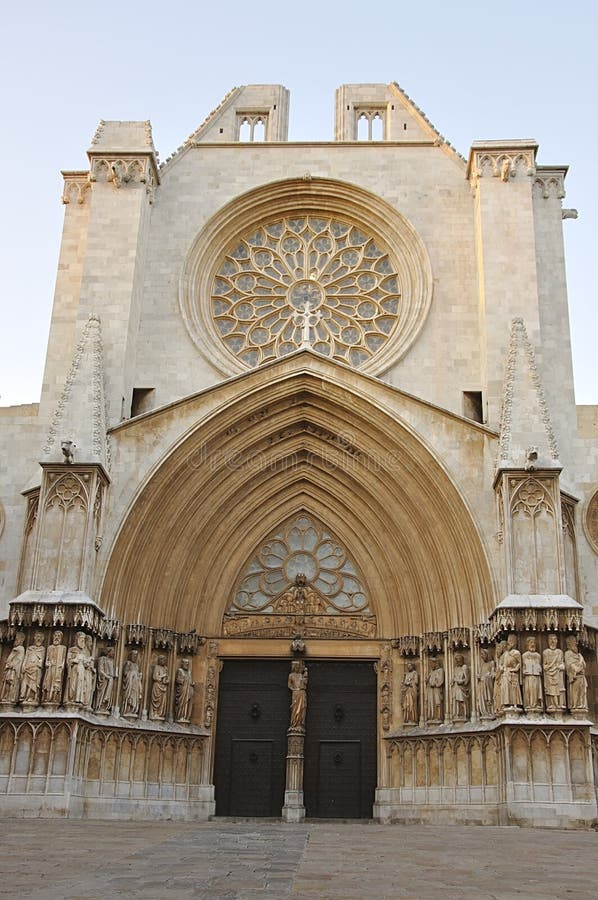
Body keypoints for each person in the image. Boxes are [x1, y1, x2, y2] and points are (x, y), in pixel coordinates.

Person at [65, 632, 95, 708]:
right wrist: (74, 660)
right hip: (74, 670)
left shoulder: (84, 652)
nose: (82, 641)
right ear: (77, 639)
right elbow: (68, 661)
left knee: (80, 685)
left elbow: (85, 663)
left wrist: (89, 661)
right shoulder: (72, 649)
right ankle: (71, 699)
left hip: (82, 671)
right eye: (81, 638)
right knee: (73, 685)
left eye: (83, 639)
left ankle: (78, 699)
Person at [19, 631, 46, 706]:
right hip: (27, 668)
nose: (39, 639)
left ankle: (32, 697)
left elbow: (41, 660)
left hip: (35, 669)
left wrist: (36, 666)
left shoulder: (42, 649)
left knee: (33, 684)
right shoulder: (29, 648)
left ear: (43, 639)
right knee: (25, 683)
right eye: (37, 637)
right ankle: (24, 697)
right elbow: (26, 658)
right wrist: (24, 666)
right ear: (34, 637)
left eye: (40, 637)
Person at [42, 630, 66, 706]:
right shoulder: (50, 647)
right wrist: (47, 663)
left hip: (58, 669)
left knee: (56, 683)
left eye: (59, 636)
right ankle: (46, 698)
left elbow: (63, 660)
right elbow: (47, 659)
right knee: (48, 682)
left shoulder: (63, 648)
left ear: (61, 638)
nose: (57, 638)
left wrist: (61, 666)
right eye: (55, 636)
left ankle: (55, 698)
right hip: (50, 668)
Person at [543, 634, 566, 714]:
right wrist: (548, 667)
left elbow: (562, 663)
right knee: (550, 690)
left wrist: (560, 666)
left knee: (560, 689)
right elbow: (544, 665)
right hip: (549, 674)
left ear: (557, 641)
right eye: (551, 639)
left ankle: (560, 704)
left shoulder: (560, 652)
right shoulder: (546, 652)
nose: (552, 641)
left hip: (558, 673)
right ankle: (551, 704)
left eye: (554, 639)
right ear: (548, 641)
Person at [0, 632, 25, 705]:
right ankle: (6, 696)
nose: (15, 641)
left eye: (17, 639)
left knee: (11, 683)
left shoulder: (21, 649)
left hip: (14, 670)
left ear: (21, 640)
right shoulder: (16, 648)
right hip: (9, 669)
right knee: (7, 682)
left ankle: (11, 697)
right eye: (15, 639)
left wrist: (12, 664)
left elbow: (19, 660)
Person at [564, 637, 588, 714]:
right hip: (575, 678)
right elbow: (570, 666)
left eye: (576, 642)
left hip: (582, 677)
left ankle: (581, 706)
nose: (576, 643)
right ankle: (576, 707)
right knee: (576, 693)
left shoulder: (579, 655)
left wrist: (580, 663)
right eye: (574, 642)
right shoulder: (568, 653)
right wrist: (579, 664)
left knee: (583, 693)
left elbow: (584, 665)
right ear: (569, 643)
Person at [522, 637, 543, 714]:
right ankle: (529, 705)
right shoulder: (524, 655)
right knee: (529, 690)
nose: (532, 644)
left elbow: (539, 665)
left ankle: (536, 704)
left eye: (534, 643)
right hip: (528, 676)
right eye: (531, 643)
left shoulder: (538, 655)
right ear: (527, 644)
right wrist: (525, 671)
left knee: (536, 690)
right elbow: (523, 666)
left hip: (536, 676)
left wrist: (539, 669)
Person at [501, 634, 522, 710]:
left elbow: (519, 663)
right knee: (506, 689)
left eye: (511, 641)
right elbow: (502, 664)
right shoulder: (506, 654)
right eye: (508, 641)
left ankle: (514, 704)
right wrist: (503, 668)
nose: (509, 643)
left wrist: (515, 669)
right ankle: (507, 704)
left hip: (513, 673)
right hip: (506, 673)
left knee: (514, 689)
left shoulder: (516, 653)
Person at [94, 647, 116, 714]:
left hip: (110, 680)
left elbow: (112, 672)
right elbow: (100, 670)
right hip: (104, 680)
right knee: (102, 693)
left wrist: (113, 675)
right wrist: (106, 676)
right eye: (112, 651)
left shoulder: (112, 661)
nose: (114, 653)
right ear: (108, 652)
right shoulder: (102, 659)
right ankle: (99, 706)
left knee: (108, 695)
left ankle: (105, 706)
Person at [122, 650, 143, 718]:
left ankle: (133, 710)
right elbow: (125, 673)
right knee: (129, 697)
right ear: (130, 656)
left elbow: (137, 675)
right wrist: (133, 673)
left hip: (136, 685)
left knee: (135, 698)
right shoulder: (128, 663)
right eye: (134, 655)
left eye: (136, 656)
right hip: (130, 684)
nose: (135, 657)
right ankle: (127, 710)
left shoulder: (136, 665)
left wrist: (139, 676)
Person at [288, 660, 308, 729]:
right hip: (295, 693)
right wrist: (295, 689)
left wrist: (306, 673)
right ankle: (294, 723)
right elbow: (289, 685)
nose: (296, 668)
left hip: (301, 693)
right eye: (295, 667)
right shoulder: (291, 675)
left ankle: (300, 723)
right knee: (295, 708)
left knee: (302, 708)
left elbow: (305, 683)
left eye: (298, 667)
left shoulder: (301, 675)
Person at [174, 658, 195, 722]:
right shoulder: (180, 671)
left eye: (187, 664)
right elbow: (177, 680)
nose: (187, 665)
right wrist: (182, 680)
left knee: (187, 703)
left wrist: (192, 683)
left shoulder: (189, 672)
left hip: (188, 690)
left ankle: (186, 717)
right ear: (182, 663)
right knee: (181, 703)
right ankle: (180, 716)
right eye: (185, 663)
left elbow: (191, 681)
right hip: (183, 689)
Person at [477, 648, 495, 719]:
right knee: (482, 698)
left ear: (487, 654)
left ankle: (490, 712)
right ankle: (484, 712)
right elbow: (481, 674)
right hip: (482, 685)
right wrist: (479, 676)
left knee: (488, 698)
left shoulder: (491, 663)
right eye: (481, 654)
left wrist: (487, 676)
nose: (481, 656)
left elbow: (492, 674)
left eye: (483, 654)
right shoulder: (482, 665)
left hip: (488, 685)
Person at [452, 654, 470, 720]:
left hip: (462, 688)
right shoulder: (455, 669)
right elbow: (454, 677)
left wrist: (461, 681)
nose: (457, 661)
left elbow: (467, 679)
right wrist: (453, 681)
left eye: (459, 660)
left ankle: (464, 714)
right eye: (456, 660)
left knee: (462, 701)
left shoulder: (464, 667)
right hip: (456, 687)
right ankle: (457, 714)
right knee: (456, 701)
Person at [426, 658, 444, 722]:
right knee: (431, 703)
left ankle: (438, 717)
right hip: (430, 690)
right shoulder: (431, 672)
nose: (430, 665)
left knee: (437, 703)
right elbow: (427, 681)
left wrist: (434, 684)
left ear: (435, 663)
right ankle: (432, 717)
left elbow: (441, 680)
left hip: (437, 690)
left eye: (431, 664)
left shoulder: (440, 670)